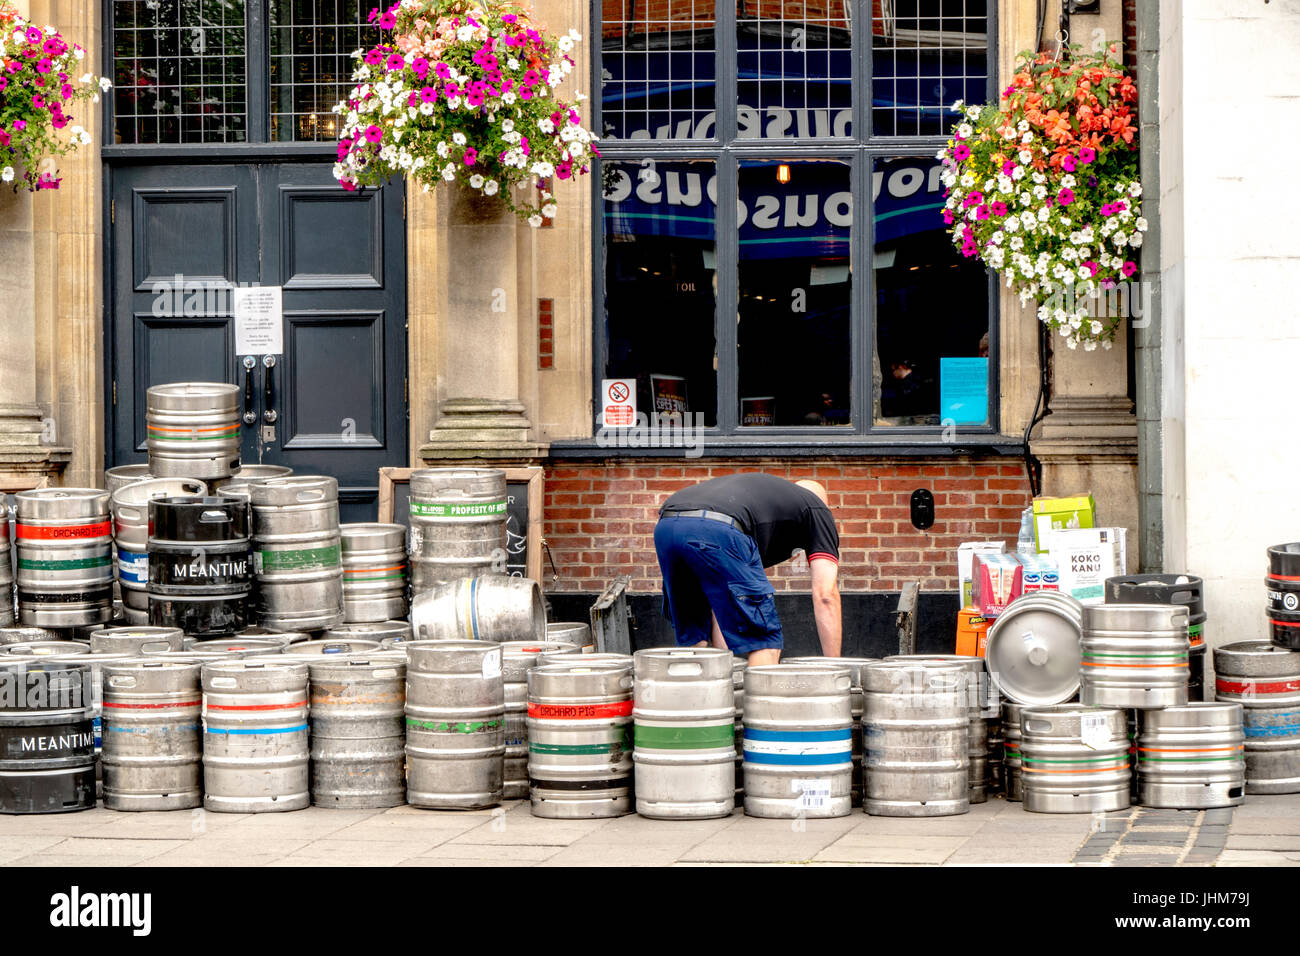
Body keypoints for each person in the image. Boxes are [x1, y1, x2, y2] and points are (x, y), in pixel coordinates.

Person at [653, 473, 842, 664]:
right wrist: (836, 670)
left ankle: (697, 691)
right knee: (764, 641)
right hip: (719, 527)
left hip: (667, 526)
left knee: (693, 642)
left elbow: (723, 599)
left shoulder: (768, 500)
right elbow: (825, 595)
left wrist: (728, 667)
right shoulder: (817, 509)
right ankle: (764, 693)